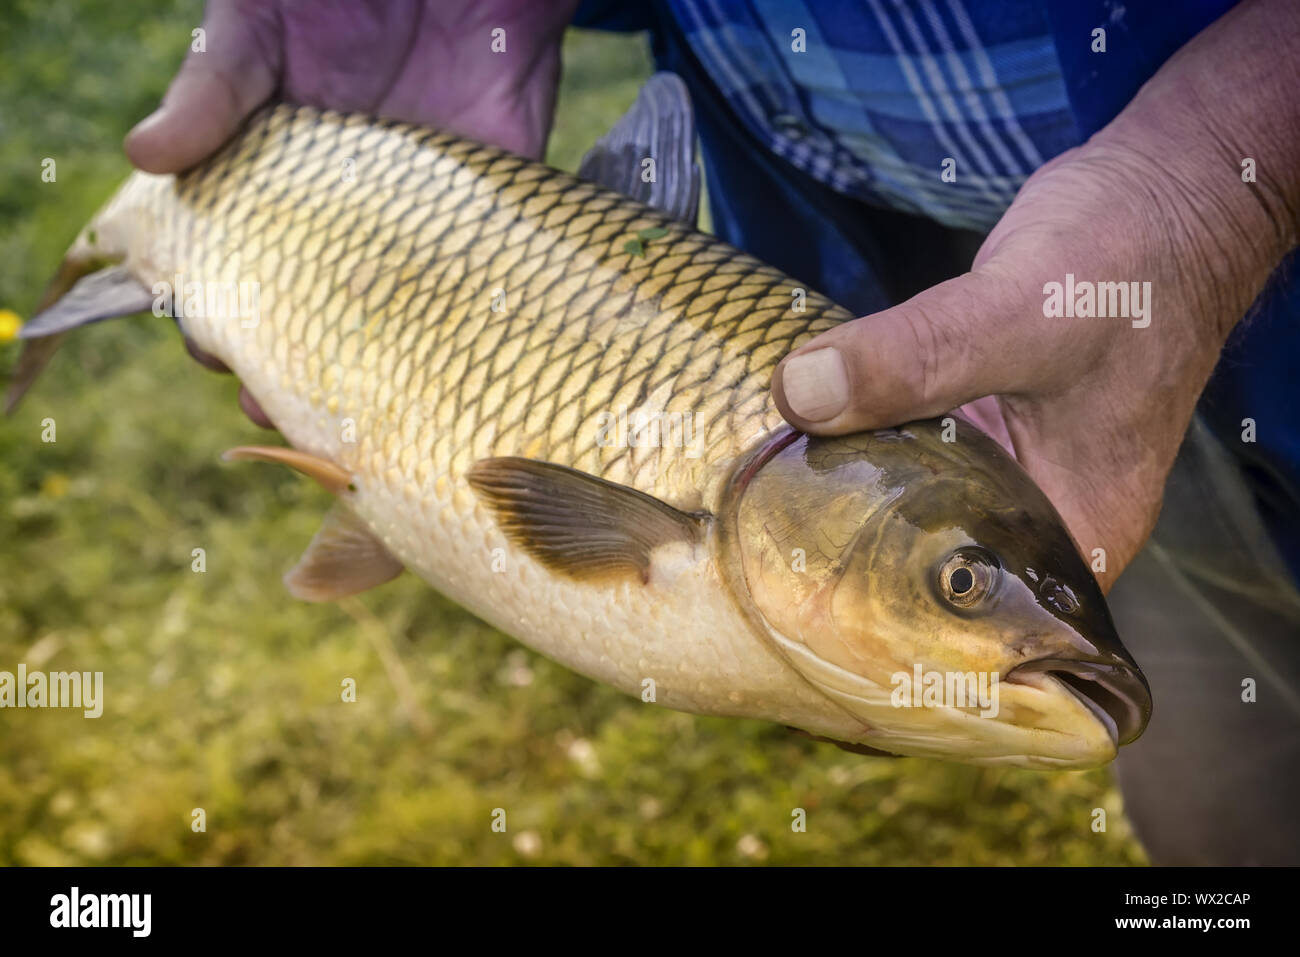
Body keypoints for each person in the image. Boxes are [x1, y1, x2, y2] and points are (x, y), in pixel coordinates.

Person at [126, 0, 1300, 864]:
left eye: (959, 581)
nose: (972, 594)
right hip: (869, 241)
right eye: (960, 580)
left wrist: (1222, 189)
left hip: (1221, 256)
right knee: (1223, 787)